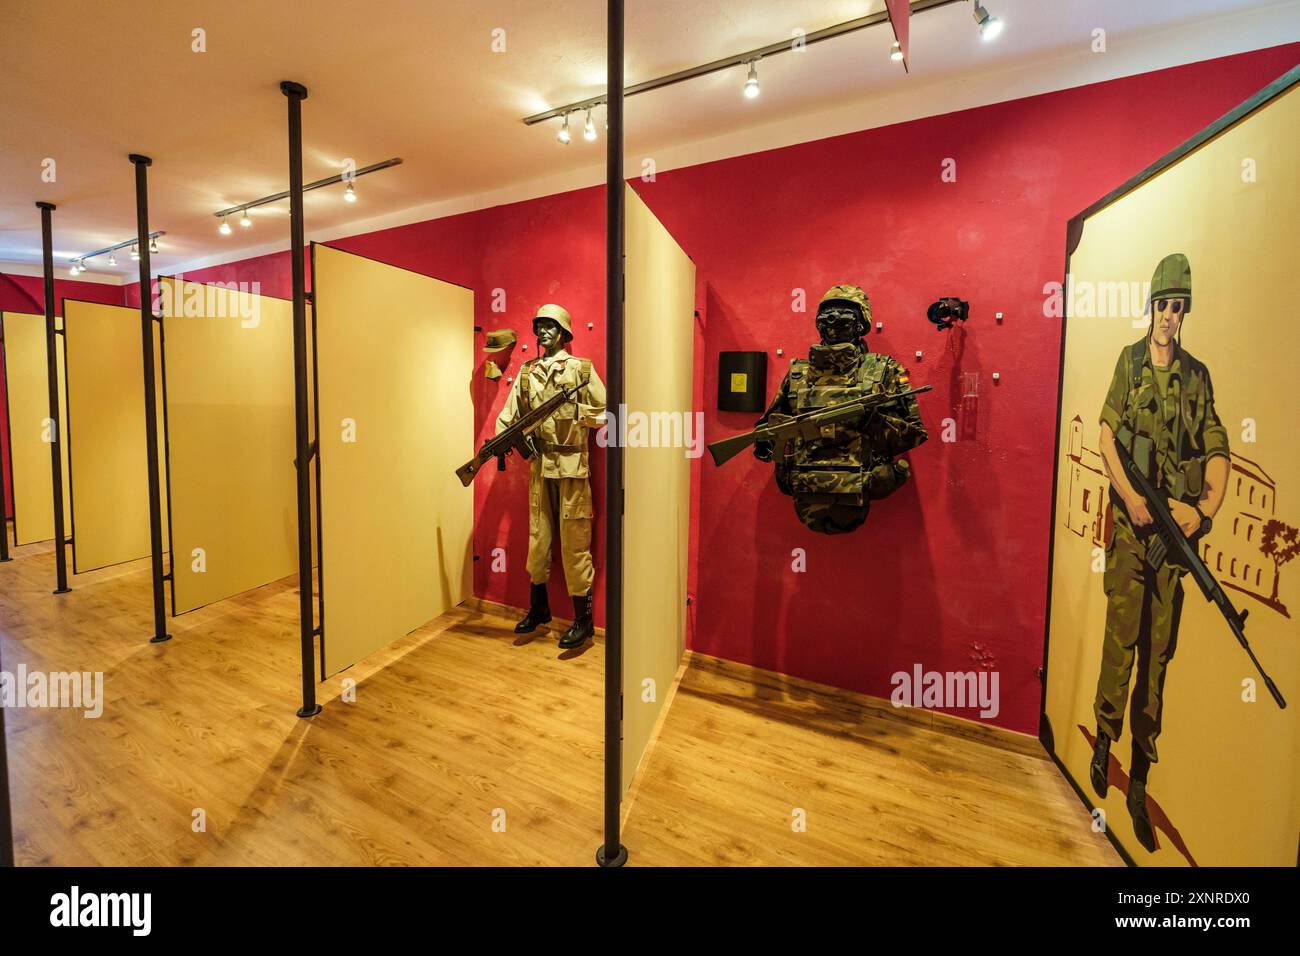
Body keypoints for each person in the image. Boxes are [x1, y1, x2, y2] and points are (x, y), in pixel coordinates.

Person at [1090, 253, 1230, 851]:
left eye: (1179, 306)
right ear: (1151, 305)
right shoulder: (1129, 362)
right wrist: (1131, 498)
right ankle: (1102, 742)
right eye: (1164, 304)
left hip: (1174, 543)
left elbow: (1219, 447)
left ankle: (1139, 781)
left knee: (1158, 659)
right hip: (1130, 532)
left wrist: (1203, 511)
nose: (1170, 316)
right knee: (1121, 640)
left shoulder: (1197, 377)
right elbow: (1105, 435)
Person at [753, 284, 927, 534]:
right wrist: (766, 442)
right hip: (805, 484)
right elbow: (768, 428)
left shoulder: (884, 370)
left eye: (844, 314)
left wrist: (871, 420)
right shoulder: (799, 373)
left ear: (861, 324)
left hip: (861, 481)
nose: (833, 321)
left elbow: (913, 434)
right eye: (827, 315)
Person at [495, 304, 606, 649]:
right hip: (540, 468)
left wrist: (575, 414)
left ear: (563, 332)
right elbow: (508, 415)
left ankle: (583, 621)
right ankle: (539, 608)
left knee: (575, 543)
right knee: (538, 539)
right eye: (539, 327)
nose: (542, 332)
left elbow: (604, 413)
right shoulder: (527, 373)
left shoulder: (582, 370)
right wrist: (502, 440)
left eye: (549, 327)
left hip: (572, 469)